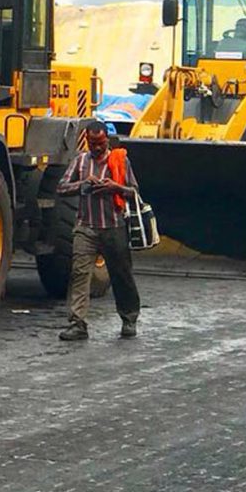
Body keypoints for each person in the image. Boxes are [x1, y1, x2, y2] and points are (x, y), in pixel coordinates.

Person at [56, 120, 142, 341]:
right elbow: (62, 188)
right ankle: (77, 323)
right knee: (79, 274)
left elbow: (133, 192)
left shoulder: (120, 161)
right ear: (87, 140)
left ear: (107, 140)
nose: (96, 147)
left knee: (122, 275)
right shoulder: (80, 161)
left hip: (114, 228)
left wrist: (115, 187)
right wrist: (83, 185)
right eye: (92, 143)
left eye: (100, 143)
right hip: (86, 228)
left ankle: (129, 318)